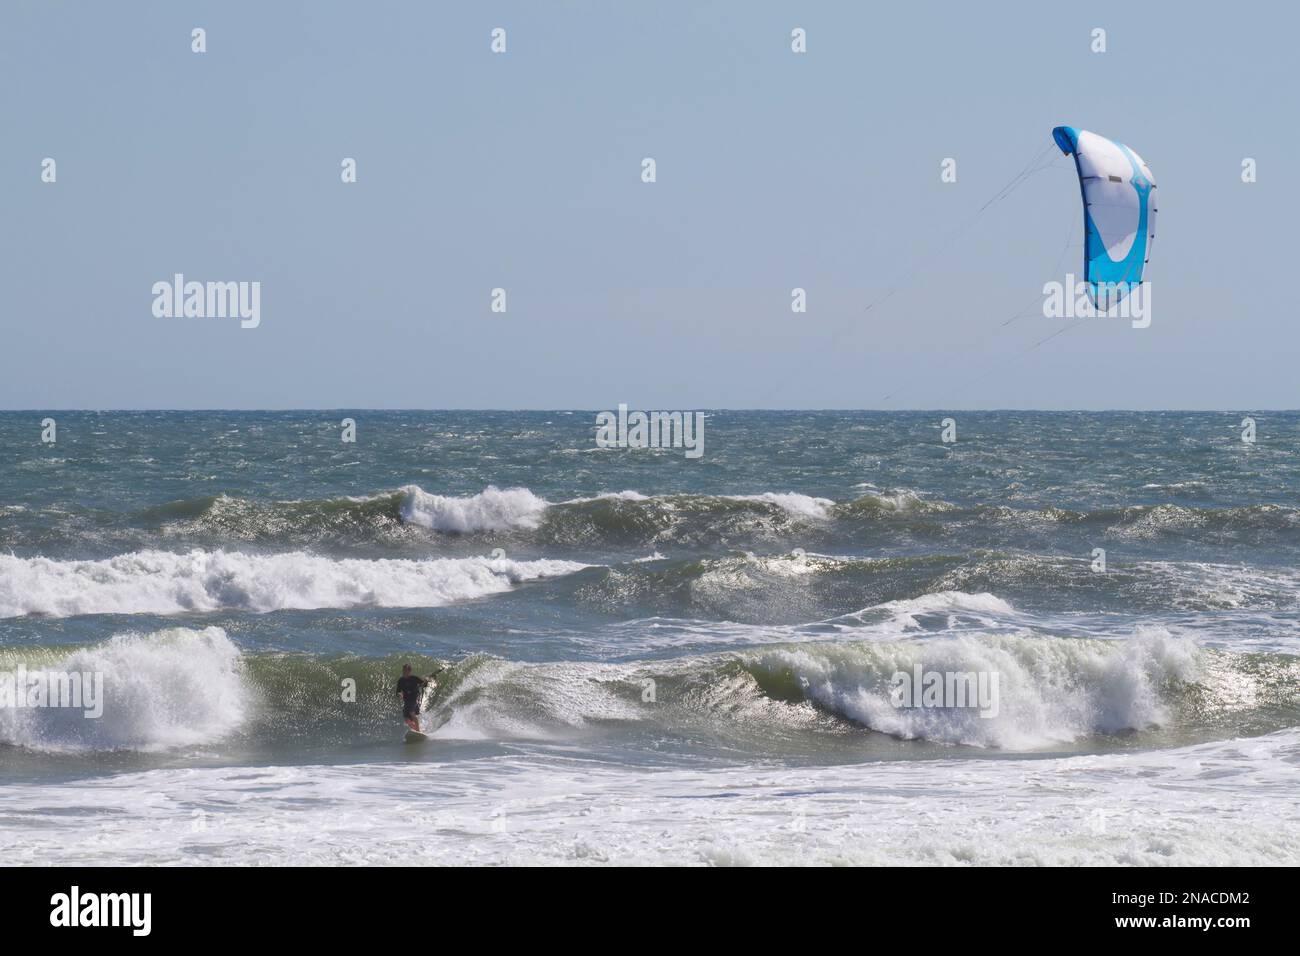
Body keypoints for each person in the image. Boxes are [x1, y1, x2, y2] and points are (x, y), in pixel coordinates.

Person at [395, 664, 431, 732]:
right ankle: (417, 730)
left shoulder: (414, 678)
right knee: (406, 719)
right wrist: (399, 694)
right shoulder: (401, 680)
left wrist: (425, 681)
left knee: (412, 712)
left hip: (415, 698)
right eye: (403, 670)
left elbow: (424, 684)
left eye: (406, 670)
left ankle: (418, 730)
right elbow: (397, 692)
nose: (404, 672)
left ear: (410, 671)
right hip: (407, 700)